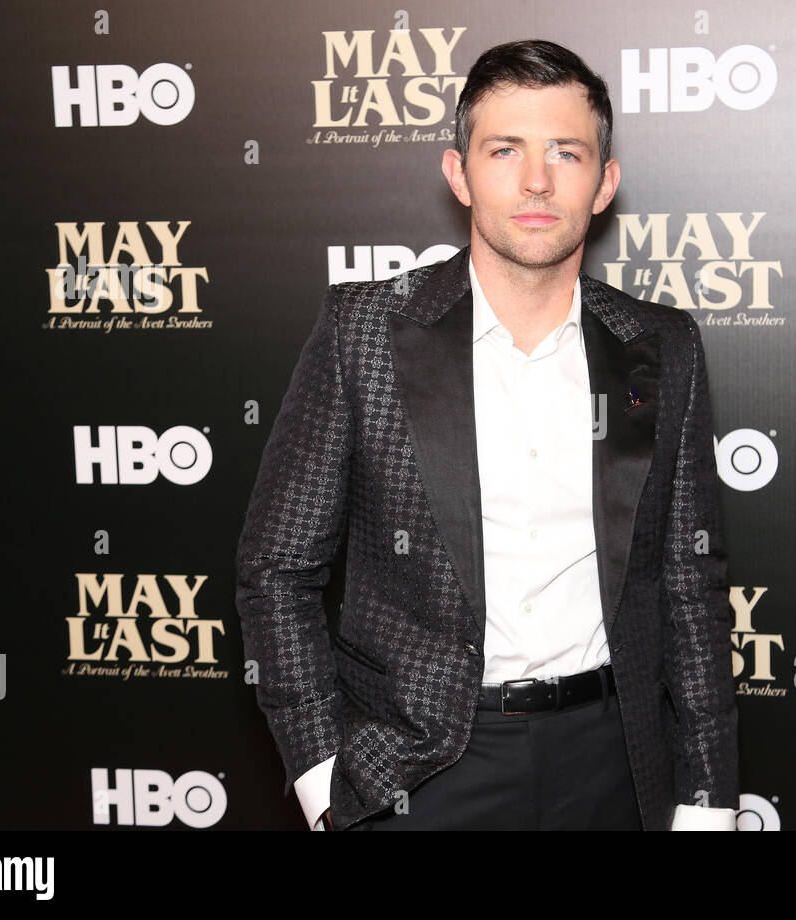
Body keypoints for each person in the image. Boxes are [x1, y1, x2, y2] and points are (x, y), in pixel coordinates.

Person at [235, 39, 738, 831]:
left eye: (565, 153)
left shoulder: (663, 345)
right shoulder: (363, 330)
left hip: (615, 768)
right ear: (459, 173)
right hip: (417, 771)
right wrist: (321, 777)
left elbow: (690, 586)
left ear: (604, 184)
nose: (536, 180)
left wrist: (707, 801)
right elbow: (277, 568)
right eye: (505, 150)